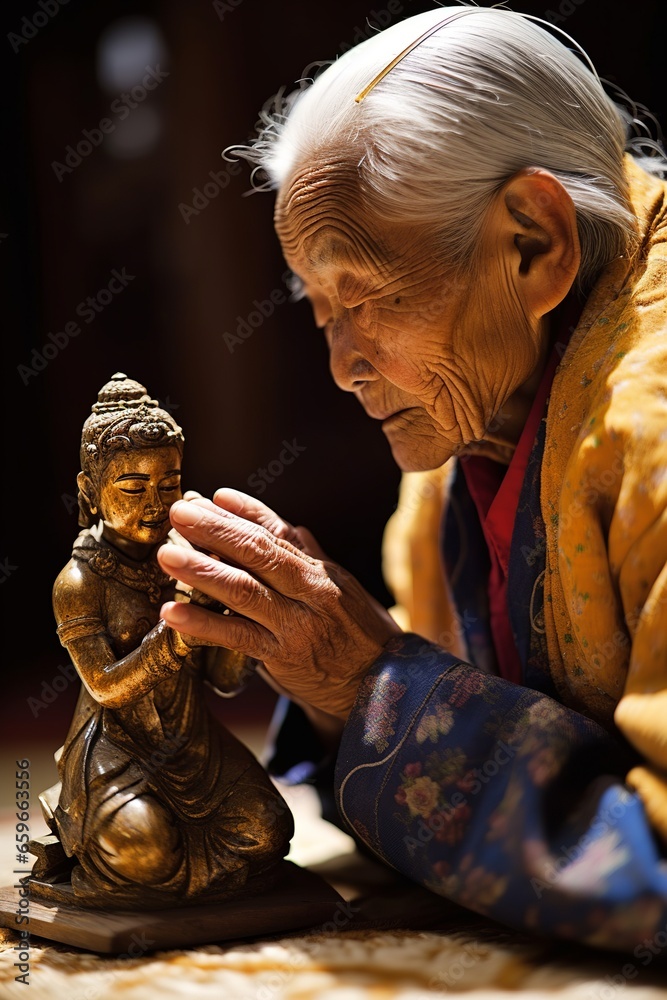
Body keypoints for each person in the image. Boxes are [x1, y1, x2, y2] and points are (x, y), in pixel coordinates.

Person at [157, 6, 667, 951]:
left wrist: (372, 688)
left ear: (532, 243)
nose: (342, 366)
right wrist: (326, 679)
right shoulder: (476, 410)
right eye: (322, 312)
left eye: (368, 297)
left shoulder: (653, 432)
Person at [35, 373, 293, 909]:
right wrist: (179, 631)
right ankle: (88, 832)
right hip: (117, 746)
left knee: (270, 830)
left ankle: (159, 881)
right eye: (133, 488)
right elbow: (106, 688)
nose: (155, 503)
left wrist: (234, 604)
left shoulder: (184, 556)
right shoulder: (79, 582)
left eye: (169, 484)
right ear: (89, 491)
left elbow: (224, 681)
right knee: (146, 854)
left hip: (194, 741)